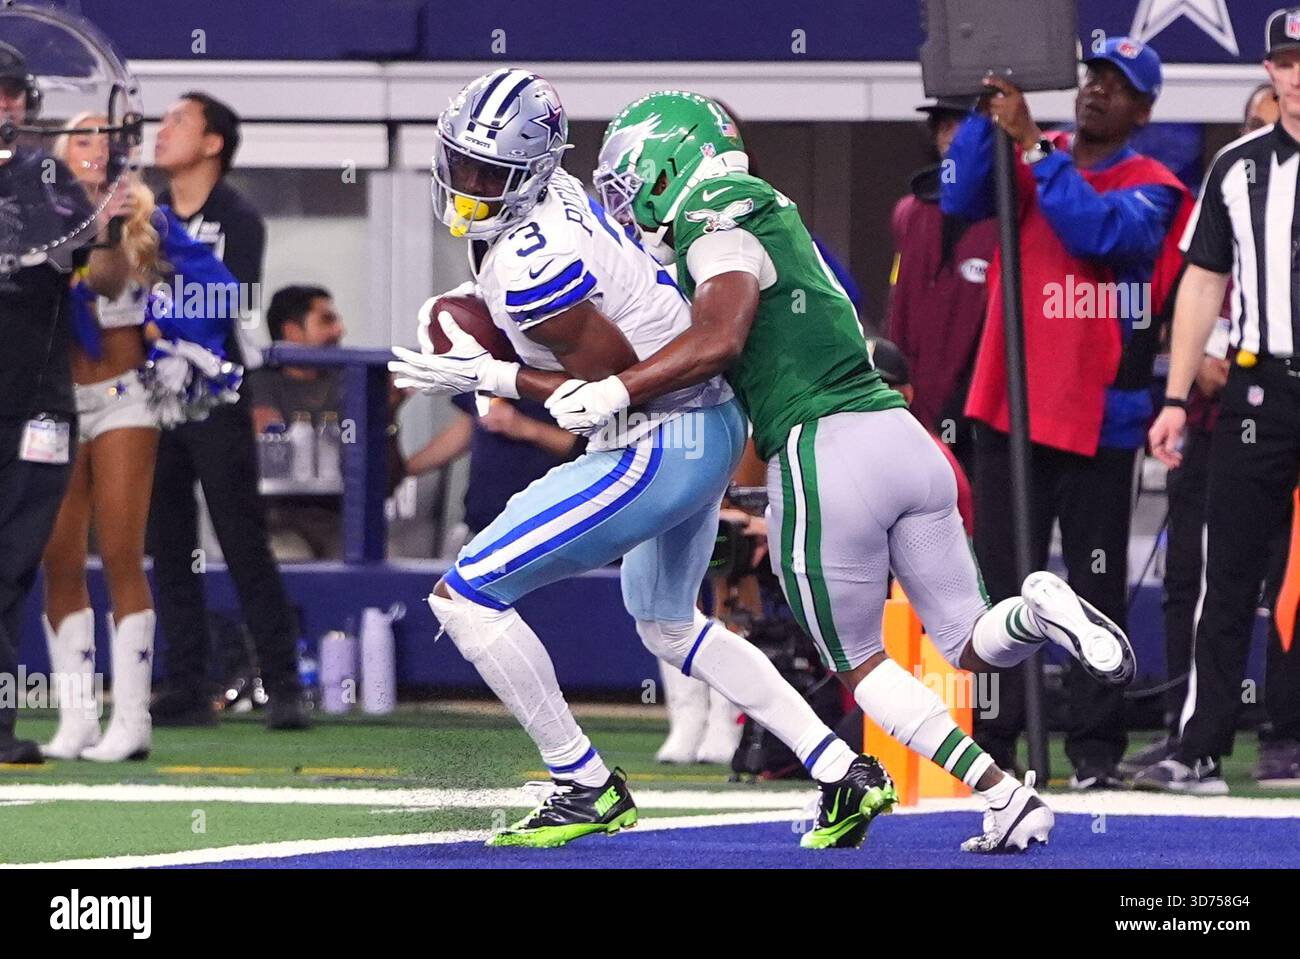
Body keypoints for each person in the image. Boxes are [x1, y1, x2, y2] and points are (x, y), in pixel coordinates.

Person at [564, 89, 1138, 853]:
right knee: (968, 640)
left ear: (670, 163)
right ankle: (1036, 616)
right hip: (901, 438)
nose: (630, 203)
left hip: (821, 449)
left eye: (633, 181)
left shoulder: (713, 214)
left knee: (861, 665)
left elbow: (722, 335)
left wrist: (614, 389)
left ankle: (1003, 791)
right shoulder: (768, 207)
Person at [390, 69, 895, 850]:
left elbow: (610, 385)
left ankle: (583, 781)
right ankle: (841, 767)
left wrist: (487, 372)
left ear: (532, 169)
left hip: (663, 434)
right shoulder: (542, 202)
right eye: (462, 164)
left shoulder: (533, 262)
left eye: (491, 173)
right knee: (667, 624)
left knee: (466, 595)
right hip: (705, 422)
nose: (470, 186)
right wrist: (468, 320)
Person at [941, 38, 1193, 789]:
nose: (1095, 93)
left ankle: (1093, 753)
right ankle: (994, 743)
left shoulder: (1157, 186)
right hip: (1008, 407)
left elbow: (1103, 235)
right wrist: (993, 125)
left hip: (1099, 417)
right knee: (997, 587)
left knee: (1094, 587)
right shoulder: (1031, 151)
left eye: (1117, 87)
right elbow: (958, 200)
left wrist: (1031, 148)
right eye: (1092, 79)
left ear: (1142, 111)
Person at [1141, 8, 1300, 793]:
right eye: (1287, 61)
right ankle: (1199, 745)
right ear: (1270, 71)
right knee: (1225, 570)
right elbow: (1202, 279)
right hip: (1260, 388)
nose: (1299, 74)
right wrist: (1175, 395)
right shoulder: (1237, 168)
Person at [148, 92, 307, 729]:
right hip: (156, 397)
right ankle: (187, 684)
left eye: (177, 121)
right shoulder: (148, 213)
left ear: (213, 143)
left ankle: (283, 683)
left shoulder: (239, 217)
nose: (162, 131)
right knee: (169, 544)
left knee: (242, 538)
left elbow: (231, 301)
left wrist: (163, 326)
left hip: (219, 395)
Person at [0, 44, 131, 763]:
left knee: (17, 558)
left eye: (14, 92)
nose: (6, 104)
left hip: (38, 402)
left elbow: (106, 282)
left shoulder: (46, 175)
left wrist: (107, 222)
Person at [39, 117, 163, 762]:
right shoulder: (32, 217)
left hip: (122, 399)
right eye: (79, 140)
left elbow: (111, 281)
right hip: (53, 401)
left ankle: (132, 718)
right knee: (57, 557)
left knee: (119, 549)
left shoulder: (140, 217)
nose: (93, 150)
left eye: (102, 141)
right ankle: (77, 717)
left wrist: (107, 221)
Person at [886, 98, 997, 471]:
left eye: (963, 125)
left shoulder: (1010, 219)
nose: (952, 136)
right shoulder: (909, 213)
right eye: (944, 126)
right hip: (911, 407)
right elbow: (898, 308)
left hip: (980, 417)